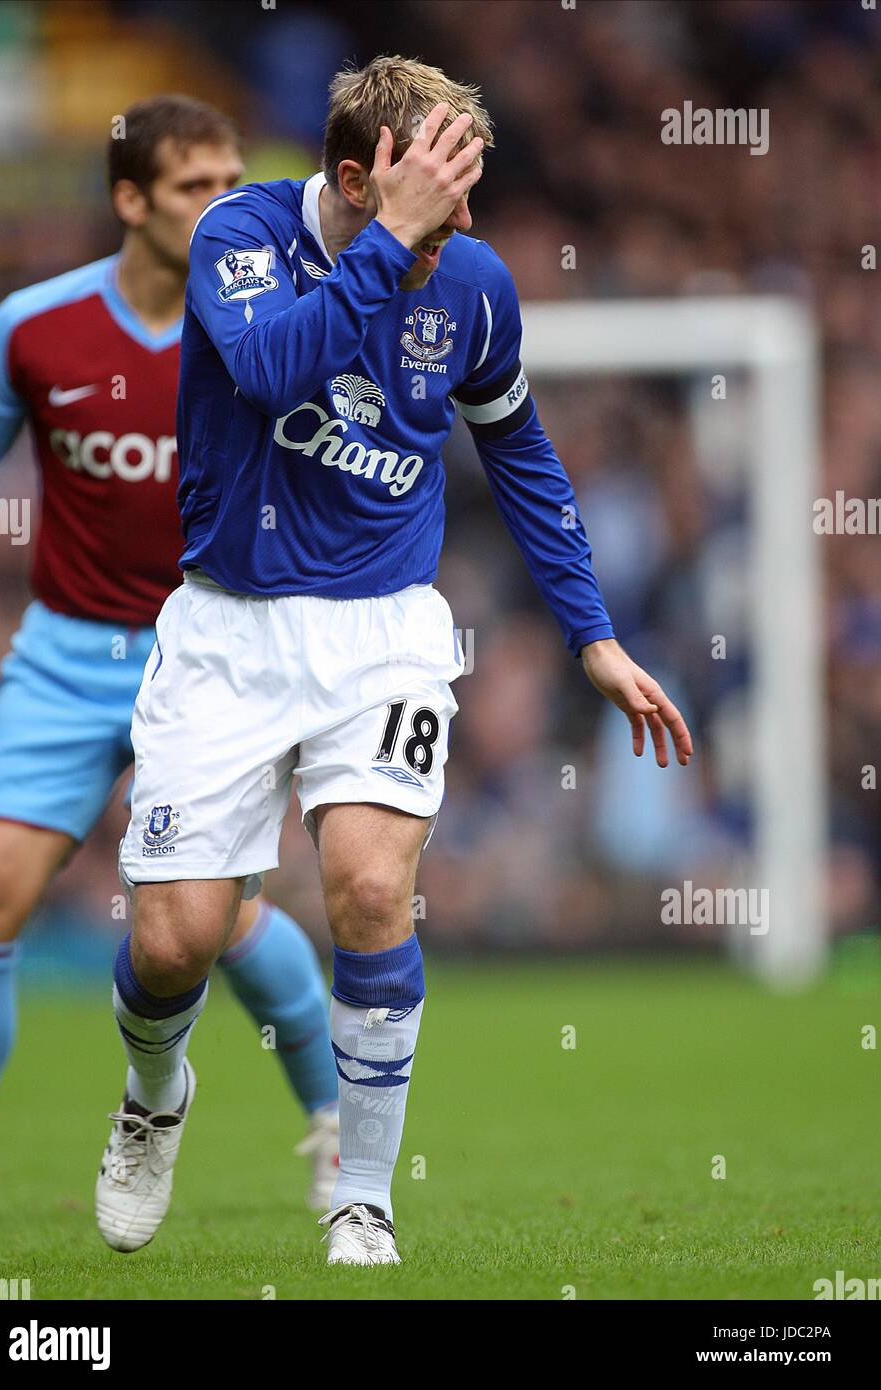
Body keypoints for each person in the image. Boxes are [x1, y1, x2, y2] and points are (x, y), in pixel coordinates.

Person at [102, 58, 693, 1266]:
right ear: (355, 176)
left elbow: (518, 450)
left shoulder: (468, 283)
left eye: (468, 189)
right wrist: (393, 241)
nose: (461, 222)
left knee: (370, 888)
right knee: (173, 942)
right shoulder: (240, 235)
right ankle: (154, 1094)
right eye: (436, 189)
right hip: (228, 628)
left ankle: (362, 1194)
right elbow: (274, 373)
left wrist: (593, 632)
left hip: (382, 631)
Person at [0, 95, 339, 1234]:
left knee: (205, 926)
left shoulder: (275, 324)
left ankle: (334, 1129)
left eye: (237, 179)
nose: (226, 202)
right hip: (69, 648)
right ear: (131, 200)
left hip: (216, 653)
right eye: (195, 186)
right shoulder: (32, 328)